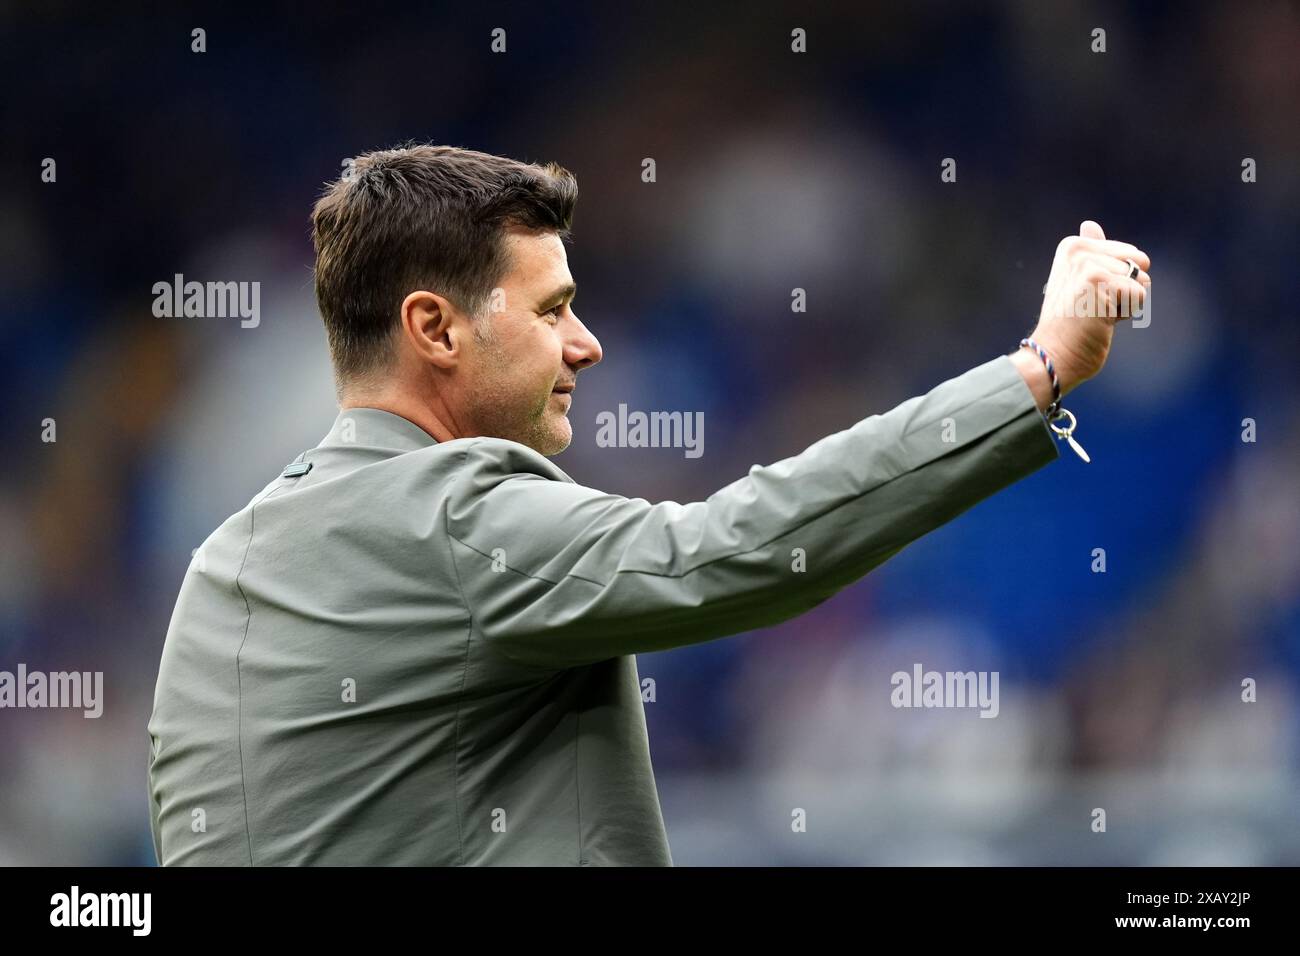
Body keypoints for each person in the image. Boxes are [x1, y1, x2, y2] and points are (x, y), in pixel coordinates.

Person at [147, 144, 1151, 865]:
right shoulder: (449, 513)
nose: (585, 344)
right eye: (549, 311)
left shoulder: (224, 565)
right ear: (434, 328)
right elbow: (726, 549)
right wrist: (1037, 370)